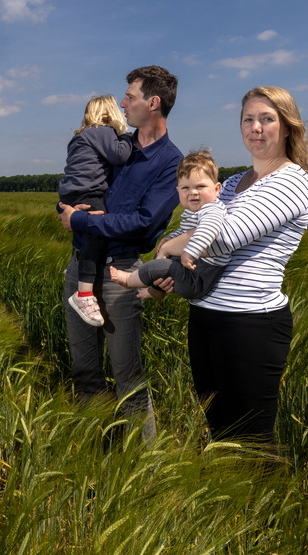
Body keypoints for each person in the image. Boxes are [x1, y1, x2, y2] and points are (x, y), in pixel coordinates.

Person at [178, 86, 308, 445]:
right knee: (220, 431)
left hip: (250, 324)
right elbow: (196, 227)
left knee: (252, 439)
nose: (256, 127)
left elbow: (220, 238)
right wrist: (184, 244)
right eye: (248, 119)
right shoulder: (234, 182)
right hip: (205, 315)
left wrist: (166, 246)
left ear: (286, 127)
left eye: (267, 119)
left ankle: (265, 502)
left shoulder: (291, 180)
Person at [57, 66, 182, 444]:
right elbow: (75, 188)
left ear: (153, 103)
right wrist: (69, 212)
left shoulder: (170, 162)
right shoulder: (113, 143)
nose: (123, 102)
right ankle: (94, 450)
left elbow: (143, 226)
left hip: (120, 277)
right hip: (80, 270)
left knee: (128, 378)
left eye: (130, 96)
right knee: (85, 372)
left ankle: (145, 473)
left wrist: (82, 222)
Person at [108, 150, 229, 302]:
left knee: (159, 266)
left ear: (217, 189)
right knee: (162, 253)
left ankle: (129, 279)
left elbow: (208, 230)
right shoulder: (195, 211)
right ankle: (155, 290)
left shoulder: (212, 209)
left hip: (199, 278)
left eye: (200, 186)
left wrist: (190, 252)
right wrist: (172, 238)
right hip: (193, 269)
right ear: (178, 190)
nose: (193, 192)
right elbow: (185, 231)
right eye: (185, 188)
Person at [59, 95, 135, 327]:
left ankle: (76, 268)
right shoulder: (103, 132)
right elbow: (120, 155)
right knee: (97, 233)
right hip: (88, 193)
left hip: (70, 195)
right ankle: (83, 294)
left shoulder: (79, 137)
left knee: (86, 230)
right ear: (109, 113)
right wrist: (128, 138)